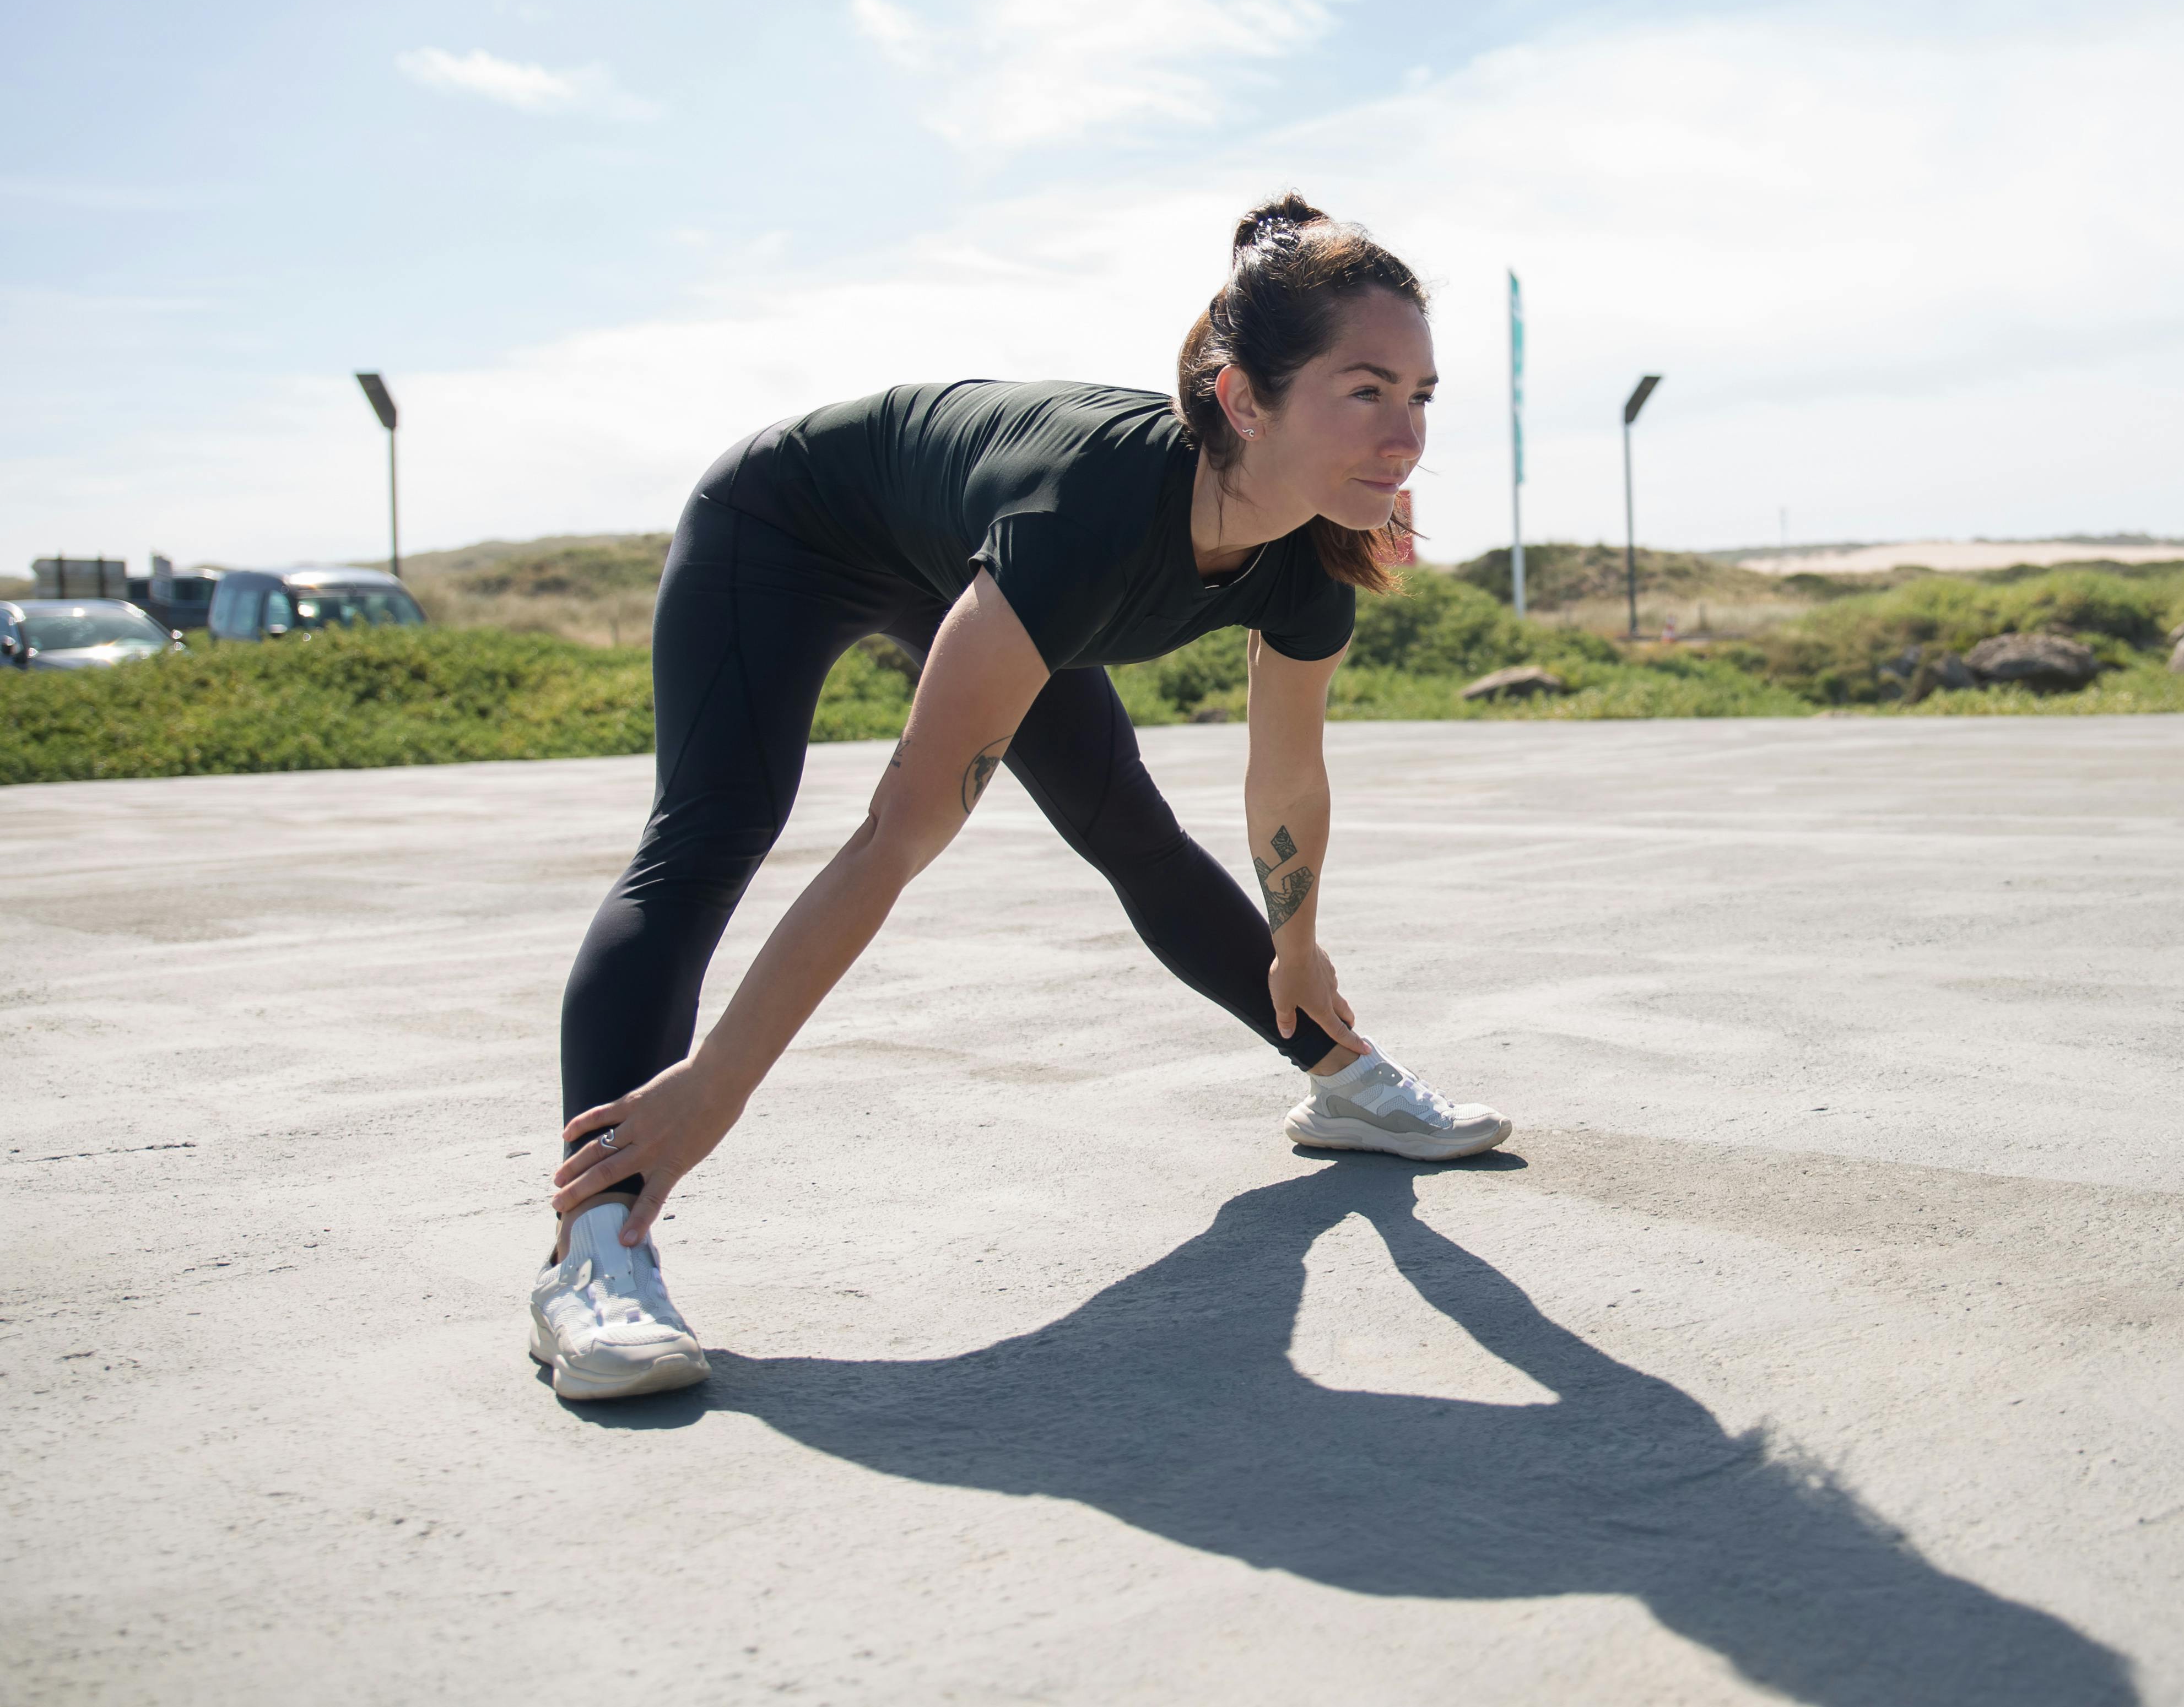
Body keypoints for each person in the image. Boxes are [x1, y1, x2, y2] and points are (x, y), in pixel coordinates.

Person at [528, 194, 1511, 1401]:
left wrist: (1299, 955)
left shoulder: (1312, 550)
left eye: (1419, 397)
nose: (1404, 437)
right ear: (1244, 400)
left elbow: (1286, 773)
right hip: (786, 527)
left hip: (959, 543)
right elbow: (900, 837)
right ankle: (593, 1255)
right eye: (1365, 392)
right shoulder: (1084, 521)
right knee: (713, 832)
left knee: (1126, 825)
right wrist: (714, 1083)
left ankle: (1344, 1080)